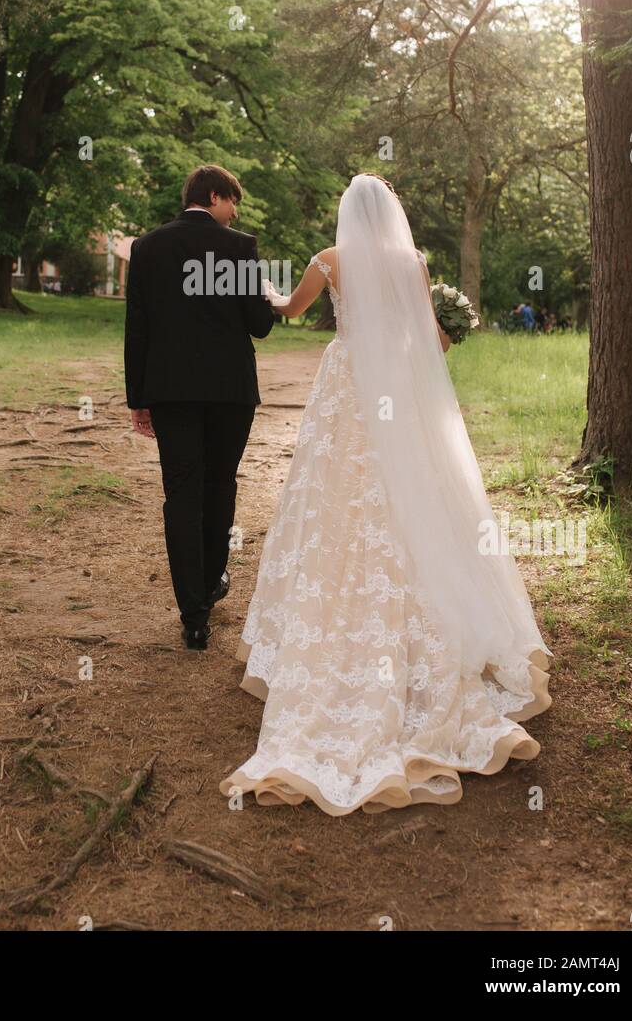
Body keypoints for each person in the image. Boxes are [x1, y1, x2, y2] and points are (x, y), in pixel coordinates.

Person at [219, 174, 551, 816]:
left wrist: (261, 287)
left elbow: (288, 311)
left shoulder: (329, 262)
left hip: (348, 382)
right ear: (392, 215)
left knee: (336, 492)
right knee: (408, 491)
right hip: (394, 382)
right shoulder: (413, 262)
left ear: (348, 216)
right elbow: (427, 336)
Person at [124, 164, 275, 650]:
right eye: (233, 201)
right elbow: (259, 325)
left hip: (170, 392)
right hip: (230, 392)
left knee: (182, 495)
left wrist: (138, 399)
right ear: (214, 196)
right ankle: (211, 584)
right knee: (220, 485)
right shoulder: (239, 248)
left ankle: (193, 615)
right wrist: (266, 297)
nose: (235, 212)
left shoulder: (147, 248)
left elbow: (138, 329)